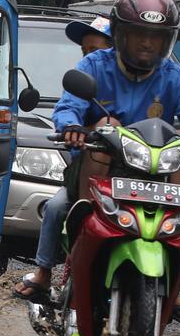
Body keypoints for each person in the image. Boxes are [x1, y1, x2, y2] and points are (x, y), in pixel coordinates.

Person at [14, 0, 180, 327]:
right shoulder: (95, 65)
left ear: (167, 41)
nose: (147, 43)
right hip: (99, 171)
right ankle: (53, 269)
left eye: (156, 36)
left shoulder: (175, 77)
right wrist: (74, 126)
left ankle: (175, 279)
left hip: (156, 176)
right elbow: (68, 108)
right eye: (138, 34)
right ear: (120, 35)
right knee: (64, 198)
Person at [12, 16, 112, 304]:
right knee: (56, 207)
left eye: (97, 50)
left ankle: (173, 292)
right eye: (85, 51)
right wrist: (73, 129)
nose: (90, 58)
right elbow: (67, 110)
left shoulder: (153, 79)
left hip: (140, 178)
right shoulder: (84, 82)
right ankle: (44, 273)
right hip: (91, 175)